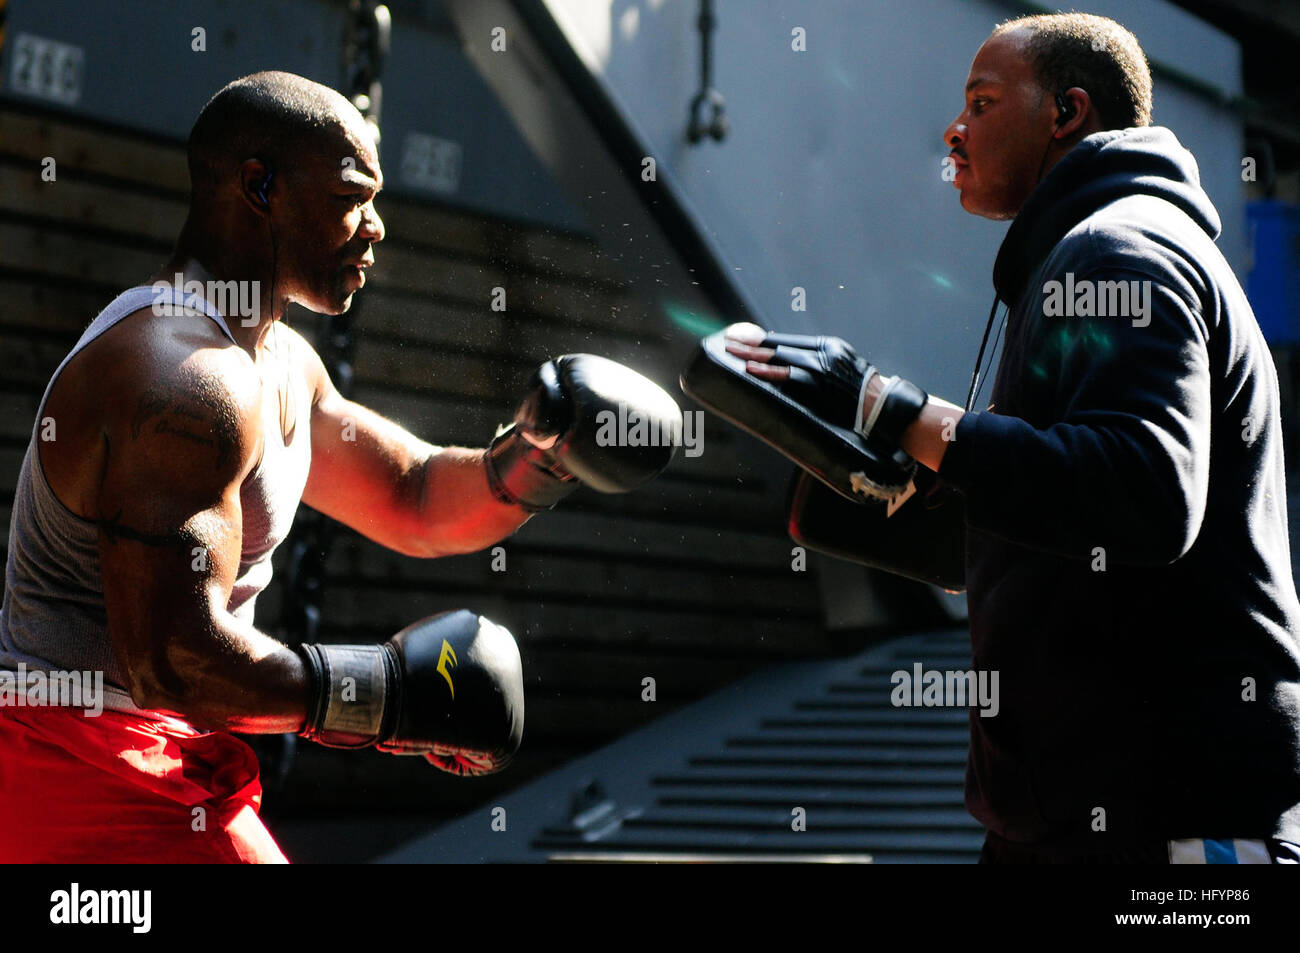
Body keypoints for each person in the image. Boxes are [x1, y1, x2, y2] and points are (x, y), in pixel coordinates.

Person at [0, 71, 680, 862]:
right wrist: (387, 695)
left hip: (152, 756)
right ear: (262, 187)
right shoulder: (182, 378)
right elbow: (171, 660)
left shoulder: (279, 364)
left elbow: (413, 494)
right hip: (80, 764)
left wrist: (535, 458)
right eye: (353, 196)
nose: (377, 227)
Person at [723, 13, 1300, 863]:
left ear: (1066, 113)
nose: (955, 130)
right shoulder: (1084, 252)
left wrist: (886, 403)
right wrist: (881, 480)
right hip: (1084, 817)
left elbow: (1144, 490)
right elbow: (1066, 521)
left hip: (1165, 827)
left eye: (983, 102)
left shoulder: (1121, 250)